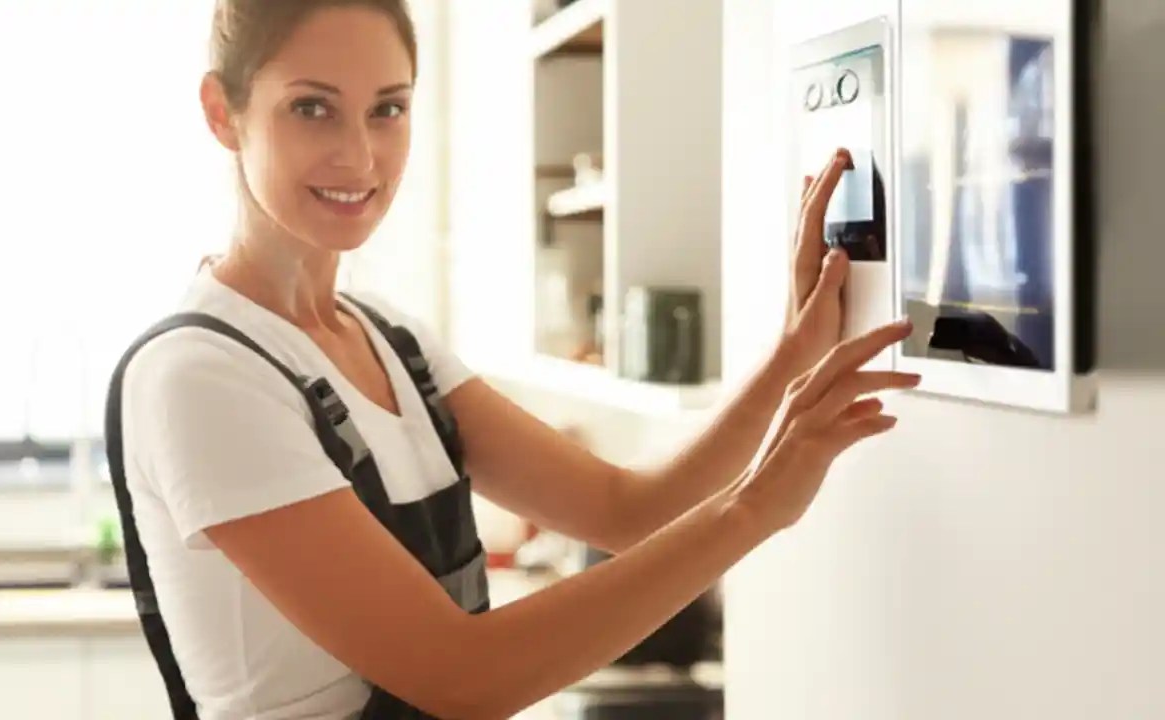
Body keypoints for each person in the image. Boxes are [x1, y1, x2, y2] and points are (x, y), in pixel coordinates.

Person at [107, 1, 922, 718]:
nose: (359, 156)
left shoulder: (391, 339)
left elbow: (628, 511)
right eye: (312, 108)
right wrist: (754, 510)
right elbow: (463, 678)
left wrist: (795, 349)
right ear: (224, 112)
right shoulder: (200, 377)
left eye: (387, 110)